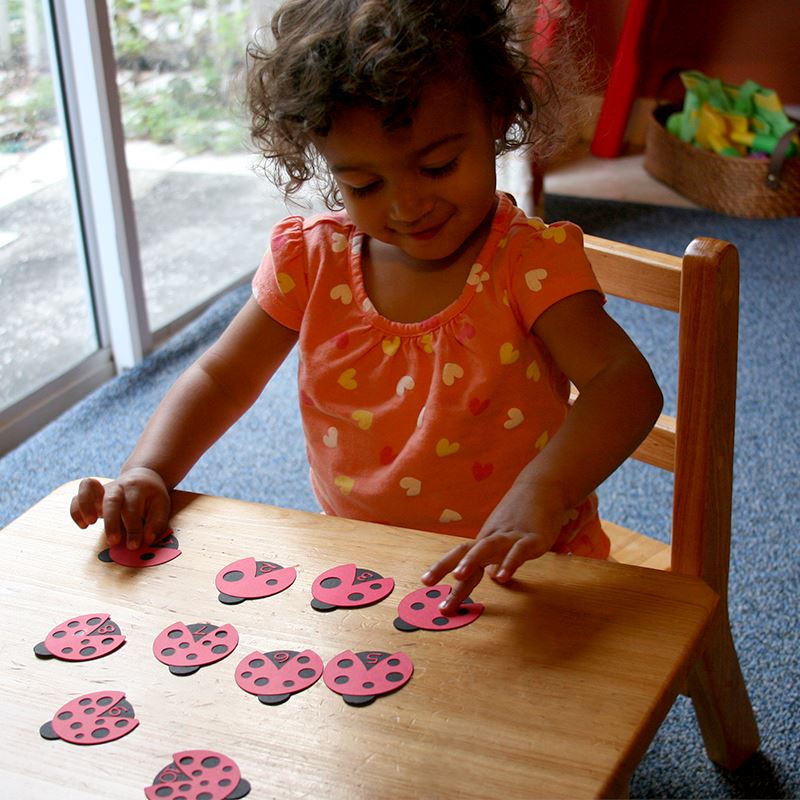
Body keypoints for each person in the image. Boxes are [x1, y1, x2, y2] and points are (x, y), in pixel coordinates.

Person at [70, 0, 663, 615]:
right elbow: (222, 377)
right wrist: (148, 469)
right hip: (366, 572)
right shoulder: (312, 261)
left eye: (437, 165)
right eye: (364, 185)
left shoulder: (527, 264)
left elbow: (625, 386)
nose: (407, 207)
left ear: (497, 113)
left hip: (526, 572)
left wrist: (547, 490)